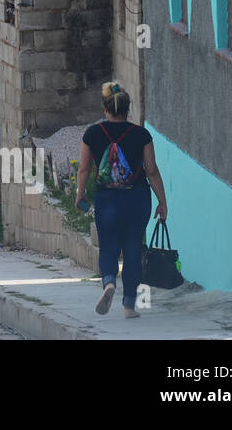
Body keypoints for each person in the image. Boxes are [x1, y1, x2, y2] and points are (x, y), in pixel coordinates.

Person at [75, 82, 167, 319]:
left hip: (107, 198)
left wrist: (80, 193)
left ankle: (108, 283)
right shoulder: (141, 134)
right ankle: (129, 306)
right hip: (137, 198)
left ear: (105, 110)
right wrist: (162, 201)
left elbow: (84, 169)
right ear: (128, 109)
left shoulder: (92, 133)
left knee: (108, 247)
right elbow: (152, 170)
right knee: (133, 249)